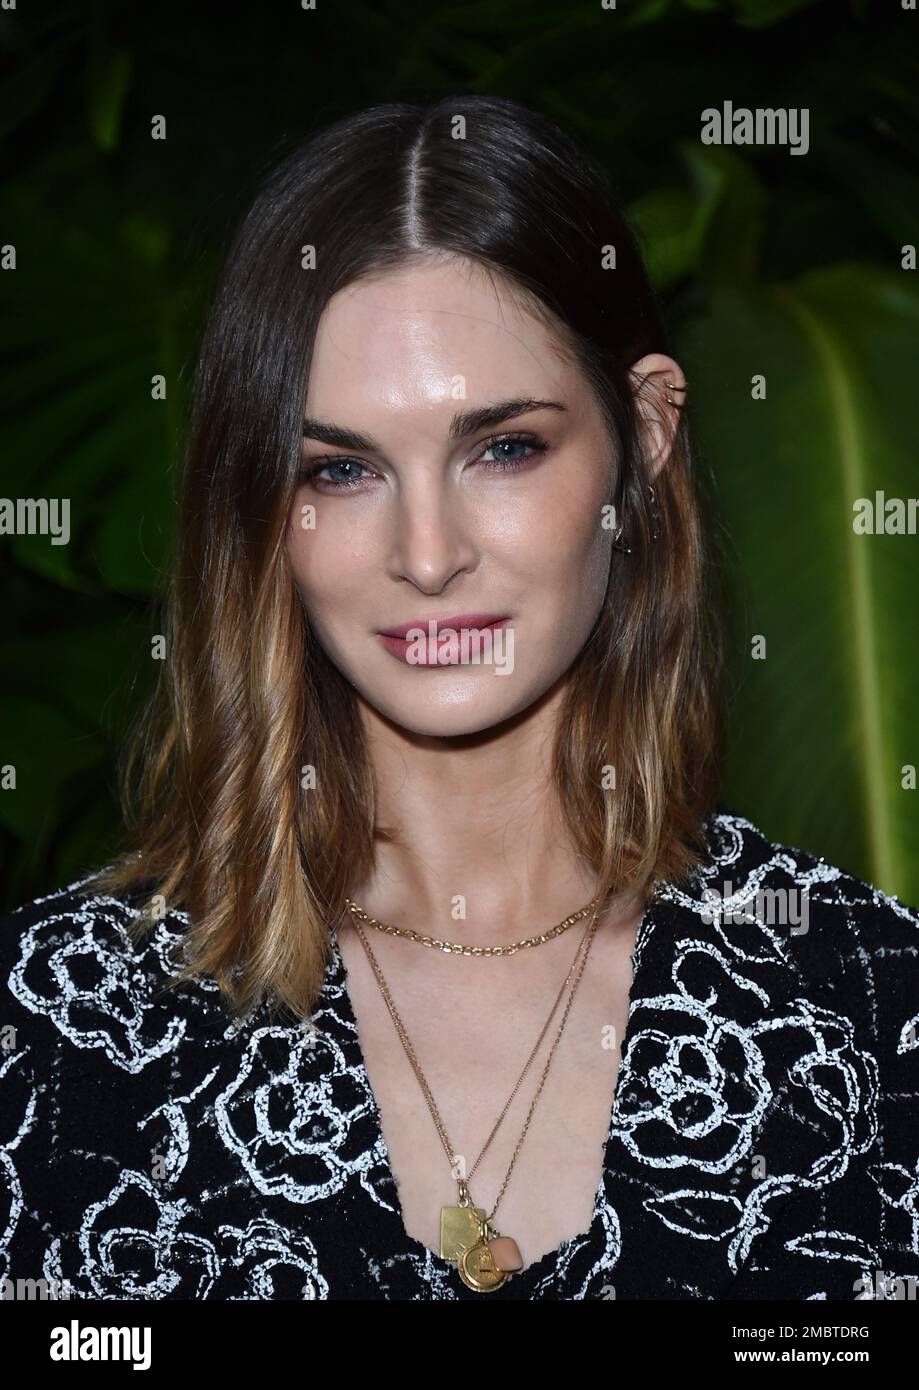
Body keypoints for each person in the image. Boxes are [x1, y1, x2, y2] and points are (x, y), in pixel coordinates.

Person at [1, 94, 917, 1303]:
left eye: (503, 448)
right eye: (339, 469)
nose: (426, 554)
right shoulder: (51, 1027)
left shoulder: (869, 1003)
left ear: (643, 432)